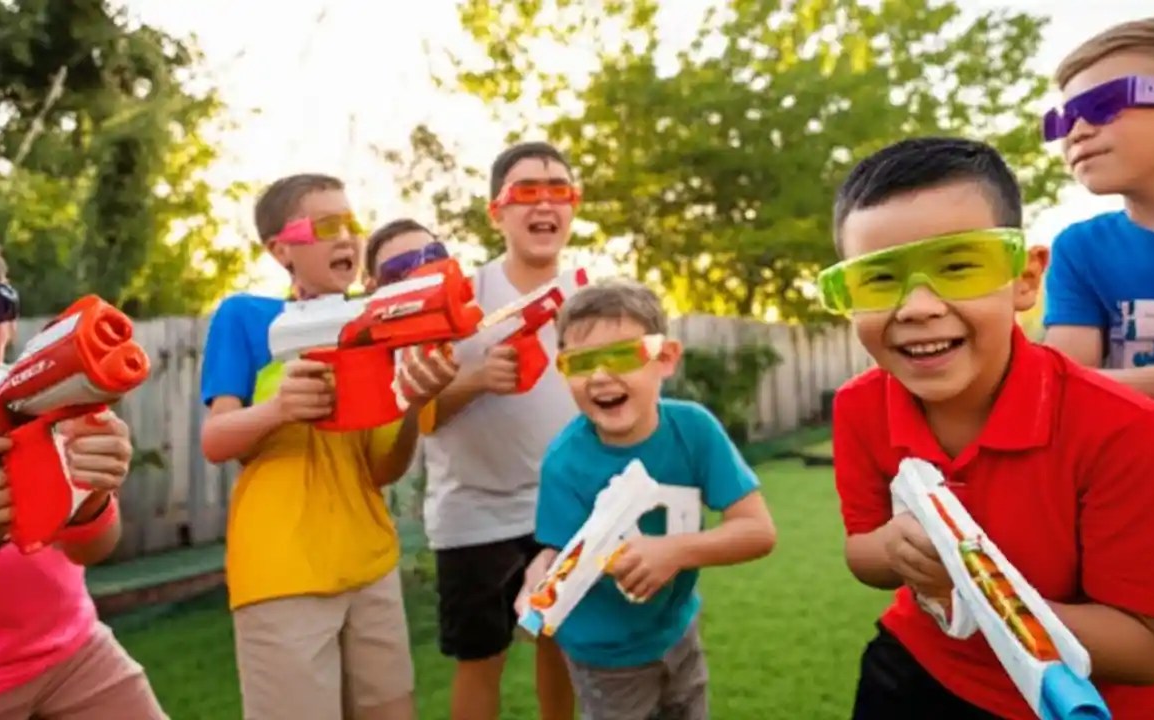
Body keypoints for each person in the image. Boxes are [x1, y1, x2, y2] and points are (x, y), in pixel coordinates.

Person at [826, 136, 1154, 719]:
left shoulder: (1128, 430)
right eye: (878, 280)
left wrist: (975, 595)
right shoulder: (859, 406)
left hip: (1087, 699)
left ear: (1025, 279)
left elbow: (1145, 650)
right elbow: (861, 550)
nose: (917, 305)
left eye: (958, 267)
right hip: (924, 660)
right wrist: (892, 548)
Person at [199, 174, 459, 720]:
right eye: (325, 225)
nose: (346, 237)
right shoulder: (245, 317)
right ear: (281, 250)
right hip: (281, 569)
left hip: (370, 561)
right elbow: (215, 439)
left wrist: (412, 402)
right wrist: (277, 409)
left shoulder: (376, 328)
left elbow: (384, 469)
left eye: (350, 224)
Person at [0, 215, 165, 718]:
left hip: (75, 650)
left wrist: (93, 497)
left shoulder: (42, 404)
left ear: (9, 322)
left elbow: (92, 547)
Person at [516, 279, 776, 720]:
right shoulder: (564, 462)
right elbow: (557, 554)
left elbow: (758, 531)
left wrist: (673, 551)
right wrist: (534, 580)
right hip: (605, 655)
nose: (600, 376)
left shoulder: (694, 430)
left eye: (621, 355)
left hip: (677, 631)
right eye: (580, 362)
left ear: (666, 358)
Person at [422, 141, 582, 720]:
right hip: (474, 515)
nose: (545, 205)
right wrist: (475, 379)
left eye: (559, 191)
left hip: (565, 512)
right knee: (480, 660)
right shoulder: (461, 299)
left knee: (561, 649)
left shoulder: (587, 300)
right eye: (527, 193)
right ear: (497, 211)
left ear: (574, 207)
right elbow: (415, 412)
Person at [1040, 17, 1154, 454]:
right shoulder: (1081, 250)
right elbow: (1059, 389)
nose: (1076, 131)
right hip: (1140, 508)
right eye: (1062, 119)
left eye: (1104, 104)